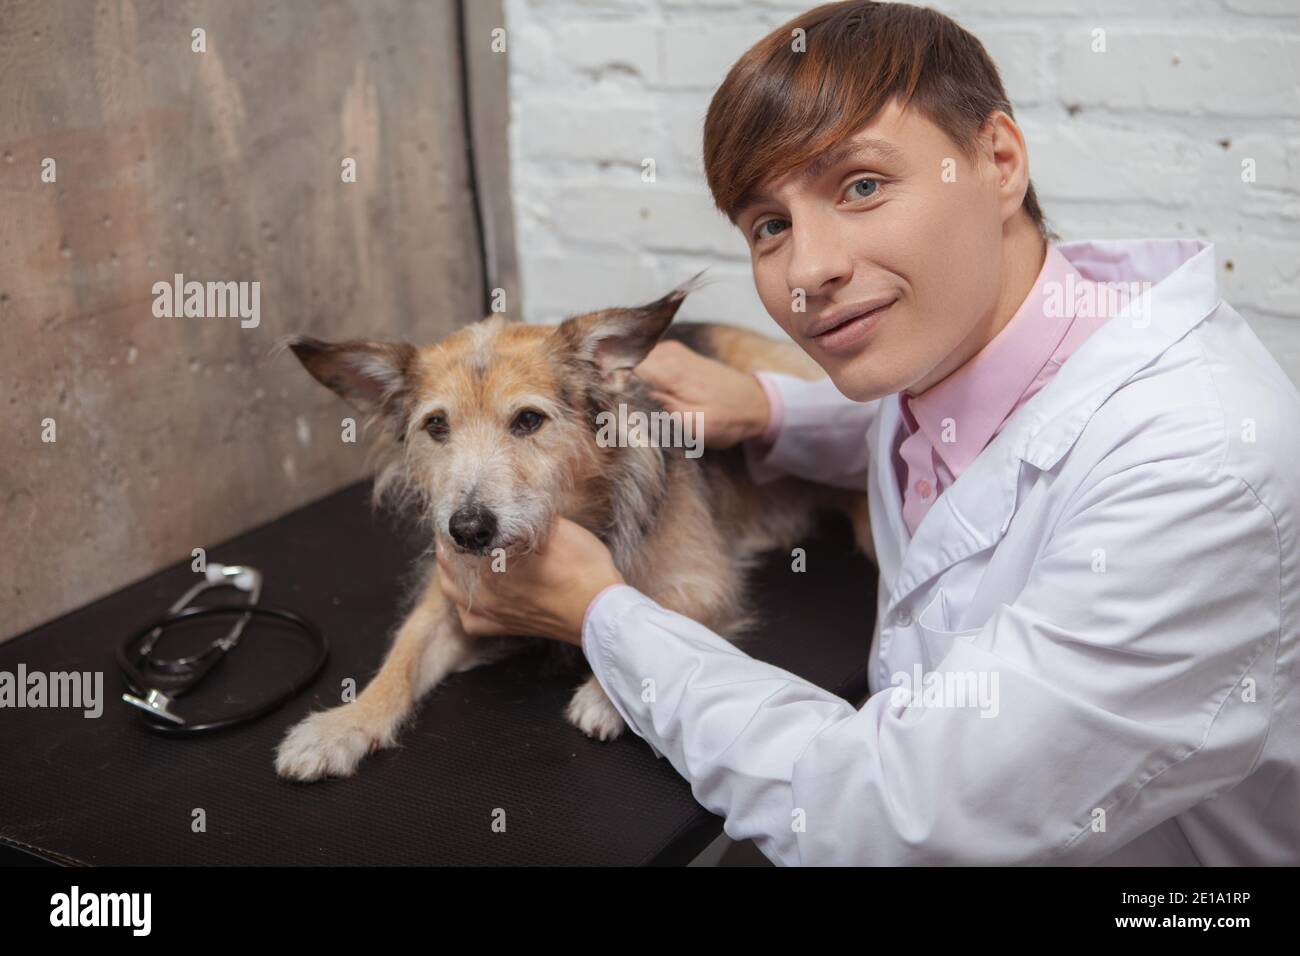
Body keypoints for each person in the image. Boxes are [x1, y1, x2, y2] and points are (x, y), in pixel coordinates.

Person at [437, 1, 1300, 864]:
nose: (809, 271)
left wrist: (601, 614)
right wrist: (770, 409)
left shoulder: (1198, 468)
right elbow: (1000, 446)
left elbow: (888, 817)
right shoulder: (976, 337)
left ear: (998, 161)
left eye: (862, 186)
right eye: (770, 226)